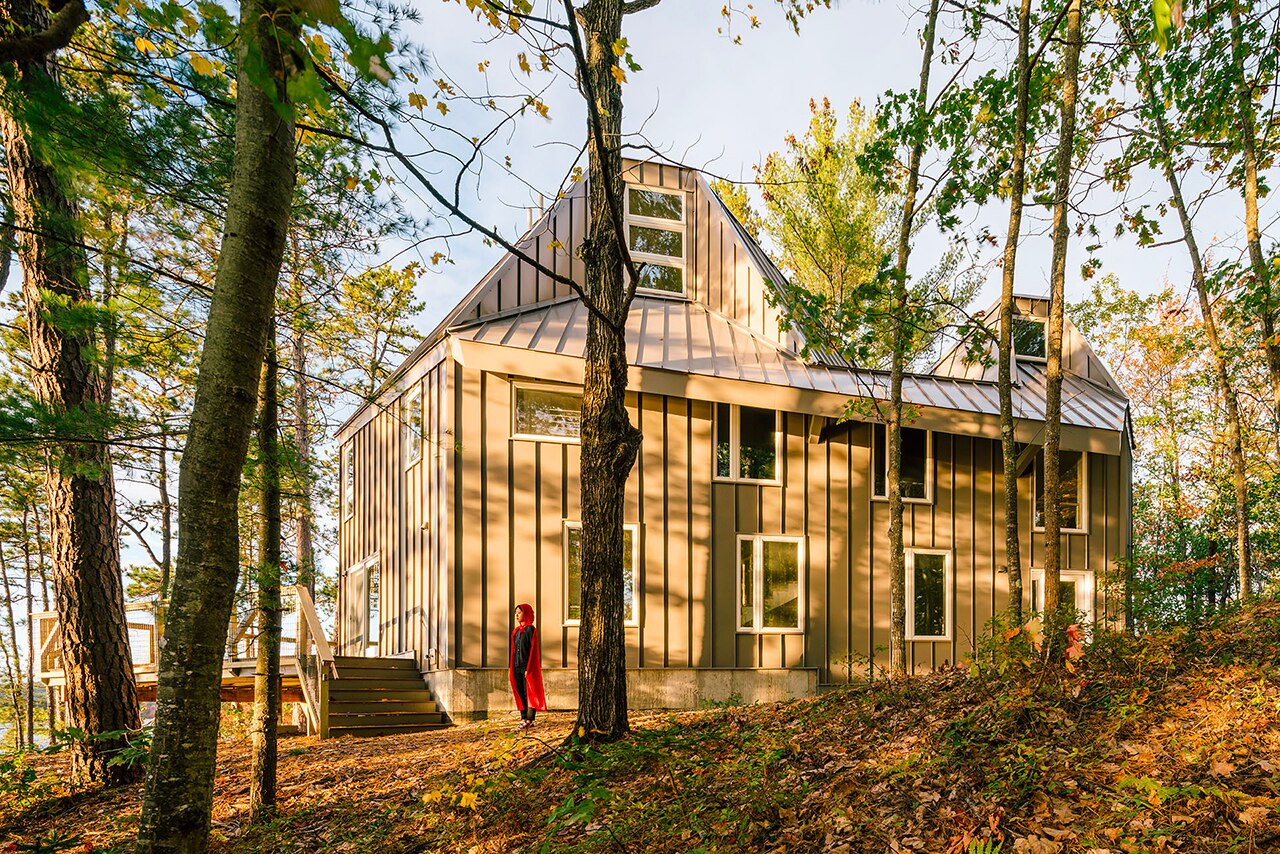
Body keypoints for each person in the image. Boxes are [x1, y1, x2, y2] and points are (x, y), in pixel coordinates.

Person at [509, 603, 547, 730]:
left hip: (527, 667)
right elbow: (514, 651)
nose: (517, 615)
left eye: (519, 613)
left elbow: (532, 651)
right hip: (516, 666)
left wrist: (528, 668)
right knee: (520, 691)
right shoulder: (515, 632)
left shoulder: (531, 630)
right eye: (516, 613)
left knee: (529, 693)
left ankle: (530, 719)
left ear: (526, 614)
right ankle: (523, 717)